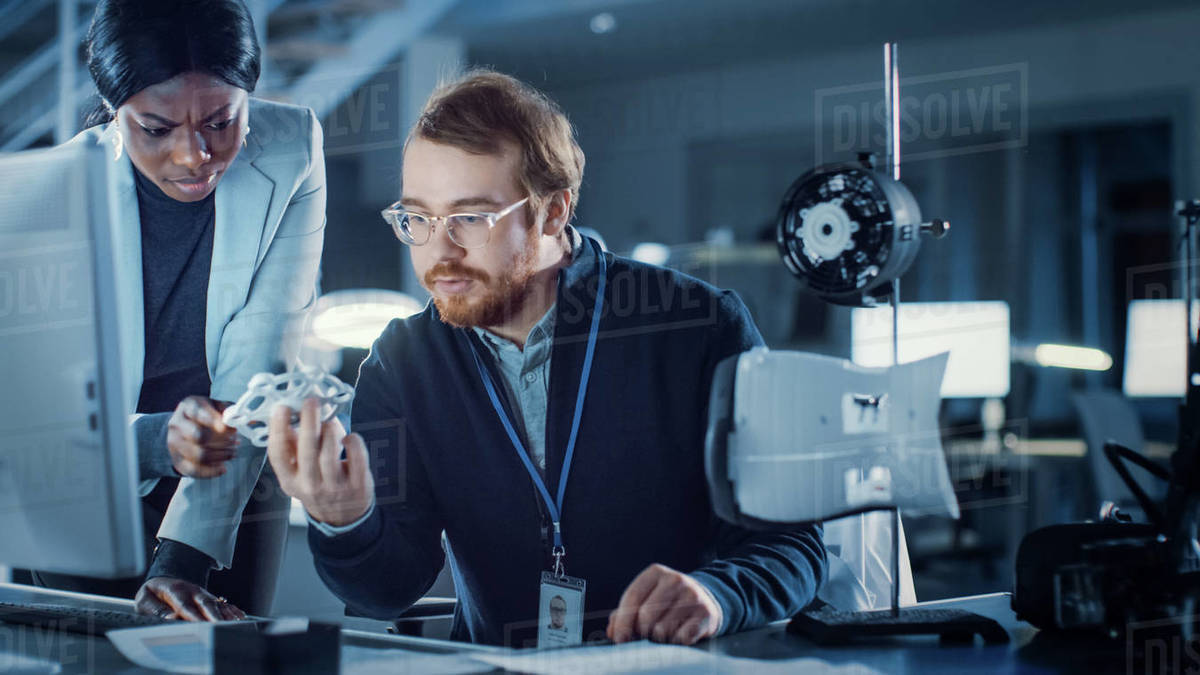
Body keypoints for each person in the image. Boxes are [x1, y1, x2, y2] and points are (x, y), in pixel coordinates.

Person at [269, 69, 825, 647]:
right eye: (418, 219)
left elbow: (792, 545)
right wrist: (343, 519)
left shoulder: (697, 326)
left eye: (469, 218)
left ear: (553, 212)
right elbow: (385, 591)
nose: (439, 251)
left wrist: (719, 594)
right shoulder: (401, 361)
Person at [33, 0, 326, 622]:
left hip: (235, 462)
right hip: (95, 476)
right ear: (116, 113)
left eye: (221, 121)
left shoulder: (292, 147)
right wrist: (152, 442)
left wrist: (182, 562)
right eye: (157, 129)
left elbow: (260, 352)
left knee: (226, 659)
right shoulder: (52, 193)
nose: (195, 157)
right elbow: (37, 410)